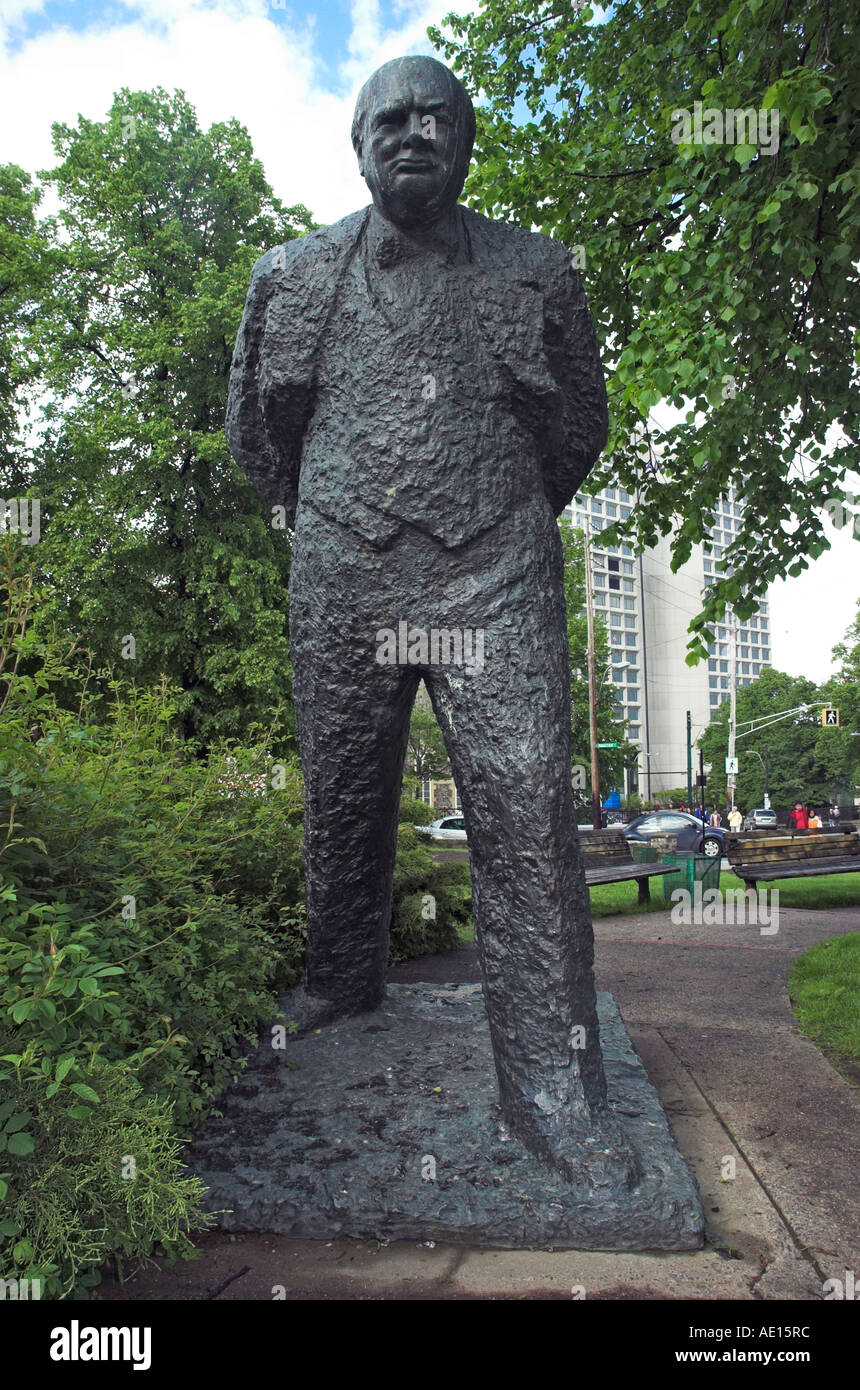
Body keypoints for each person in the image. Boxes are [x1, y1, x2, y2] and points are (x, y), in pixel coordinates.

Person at [226, 56, 625, 1184]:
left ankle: (552, 1092)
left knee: (525, 815)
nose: (412, 134)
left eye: (435, 118)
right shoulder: (293, 274)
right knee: (344, 792)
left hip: (490, 574)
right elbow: (259, 432)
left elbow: (578, 426)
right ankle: (340, 980)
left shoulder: (537, 270)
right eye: (389, 119)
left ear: (465, 142)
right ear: (356, 144)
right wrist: (328, 524)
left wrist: (497, 513)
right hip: (343, 575)